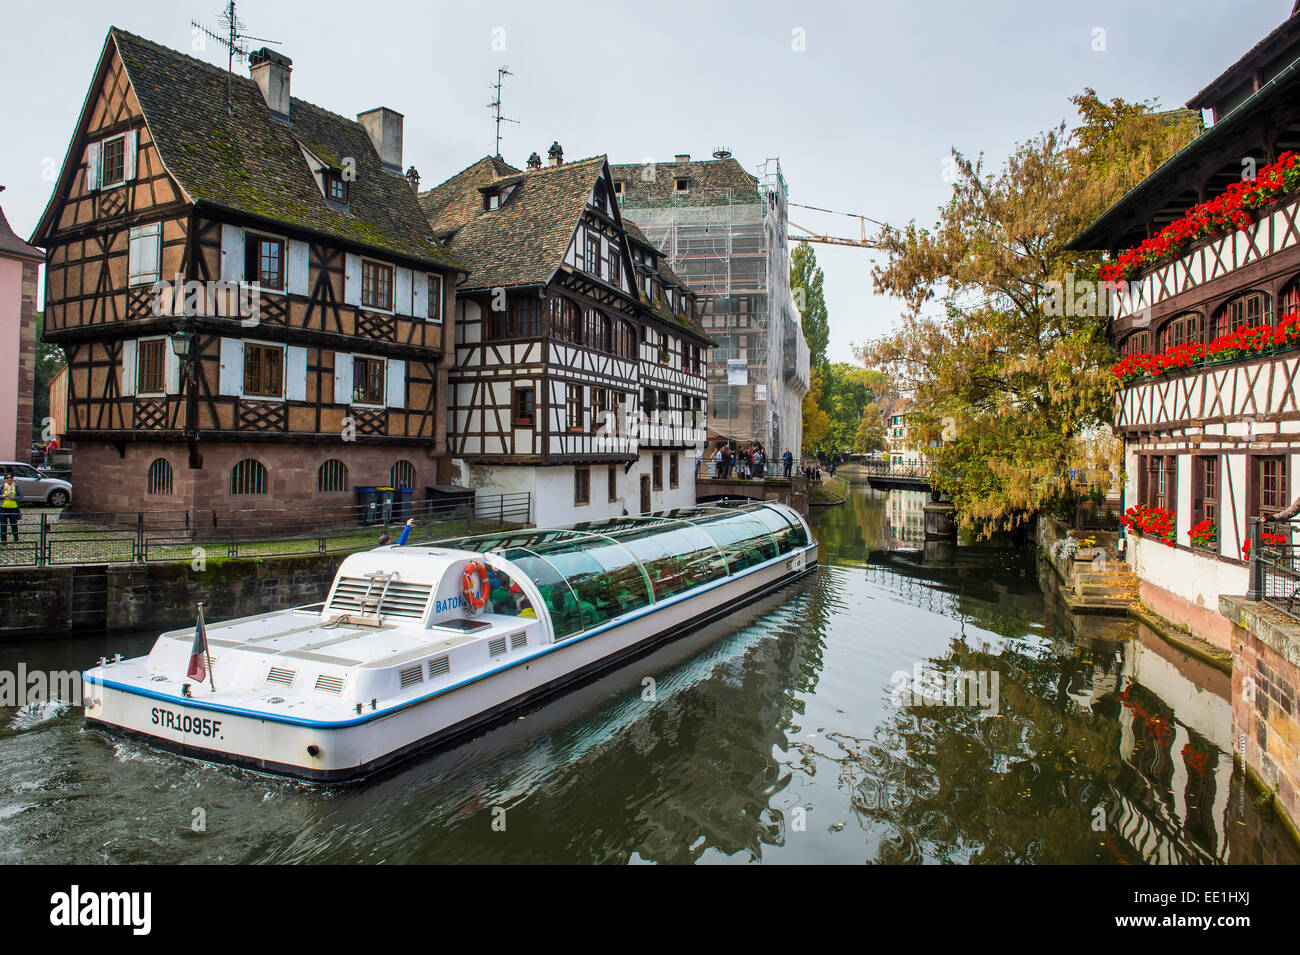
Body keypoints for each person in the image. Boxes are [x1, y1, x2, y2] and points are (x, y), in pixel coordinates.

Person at [0, 471, 20, 545]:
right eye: (7, 478)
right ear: (5, 479)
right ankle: (3, 539)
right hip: (3, 507)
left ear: (13, 479)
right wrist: (3, 496)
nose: (9, 479)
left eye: (10, 478)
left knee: (14, 523)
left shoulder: (16, 487)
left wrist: (14, 498)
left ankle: (15, 537)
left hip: (13, 508)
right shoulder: (2, 487)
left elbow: (20, 496)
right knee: (3, 524)